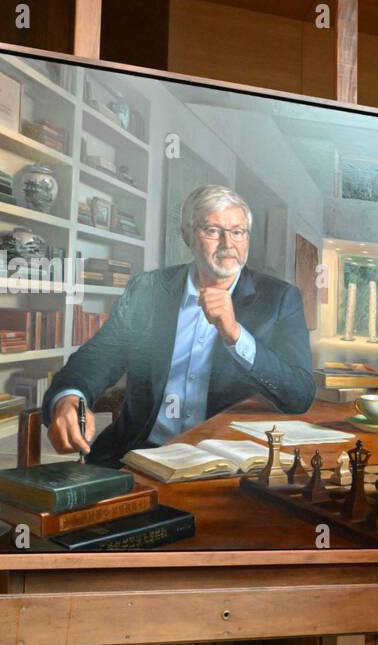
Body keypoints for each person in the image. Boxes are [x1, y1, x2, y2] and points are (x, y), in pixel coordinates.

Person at [43, 184, 316, 466]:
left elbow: (299, 395)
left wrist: (236, 336)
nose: (227, 244)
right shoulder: (148, 289)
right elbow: (100, 356)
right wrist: (69, 397)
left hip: (225, 466)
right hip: (140, 455)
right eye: (212, 230)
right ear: (187, 235)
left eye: (237, 232)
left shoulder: (279, 299)